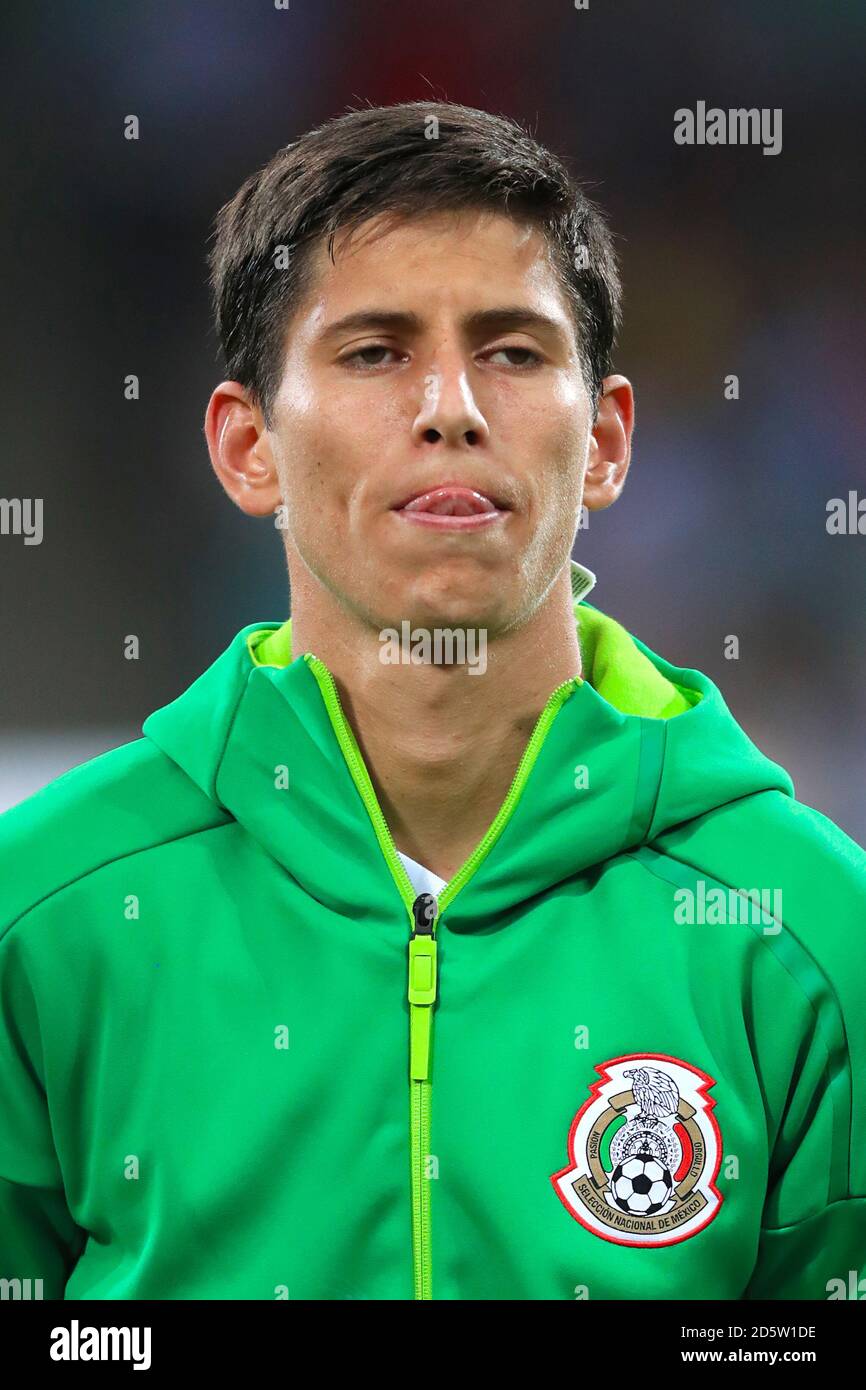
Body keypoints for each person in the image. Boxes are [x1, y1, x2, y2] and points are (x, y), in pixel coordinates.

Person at [1, 101, 864, 1302]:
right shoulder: (40, 912)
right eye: (374, 351)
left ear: (607, 440)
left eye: (512, 351)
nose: (450, 405)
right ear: (247, 447)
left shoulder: (813, 930)